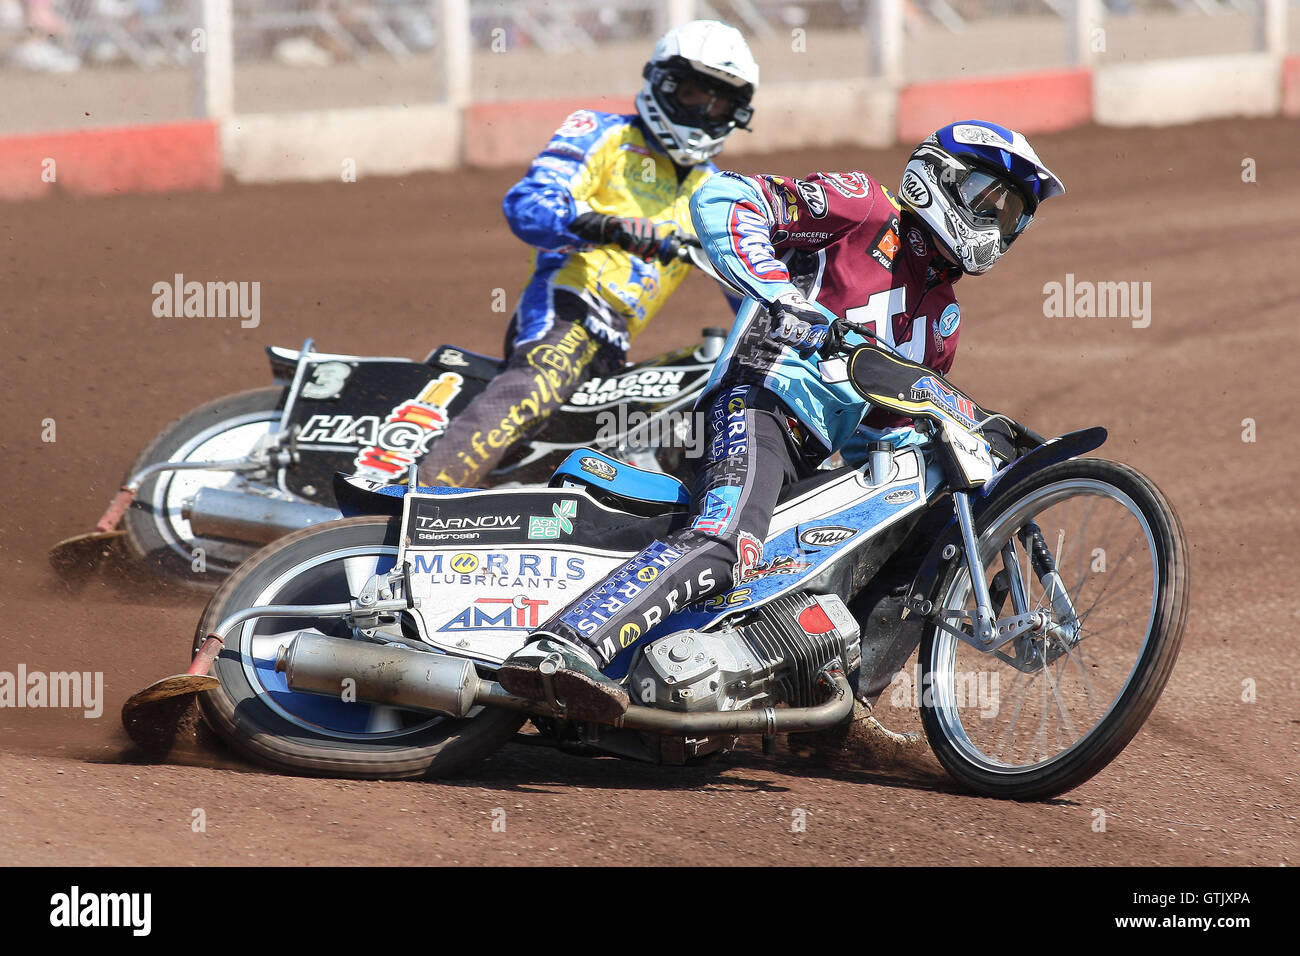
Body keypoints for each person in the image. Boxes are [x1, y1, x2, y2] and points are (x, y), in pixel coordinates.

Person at [496, 120, 1067, 721]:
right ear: (940, 179)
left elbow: (884, 421)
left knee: (929, 519)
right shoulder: (864, 205)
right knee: (728, 541)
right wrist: (780, 294)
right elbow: (723, 198)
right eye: (989, 200)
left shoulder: (943, 317)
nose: (998, 227)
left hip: (819, 458)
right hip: (756, 401)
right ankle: (565, 646)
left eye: (1012, 218)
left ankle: (845, 703)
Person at [415, 20, 758, 488]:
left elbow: (750, 281)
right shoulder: (602, 133)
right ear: (666, 83)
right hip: (568, 309)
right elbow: (527, 204)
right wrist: (603, 226)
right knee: (541, 381)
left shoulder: (714, 191)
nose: (706, 110)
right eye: (698, 94)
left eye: (721, 102)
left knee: (695, 392)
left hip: (616, 347)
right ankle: (417, 501)